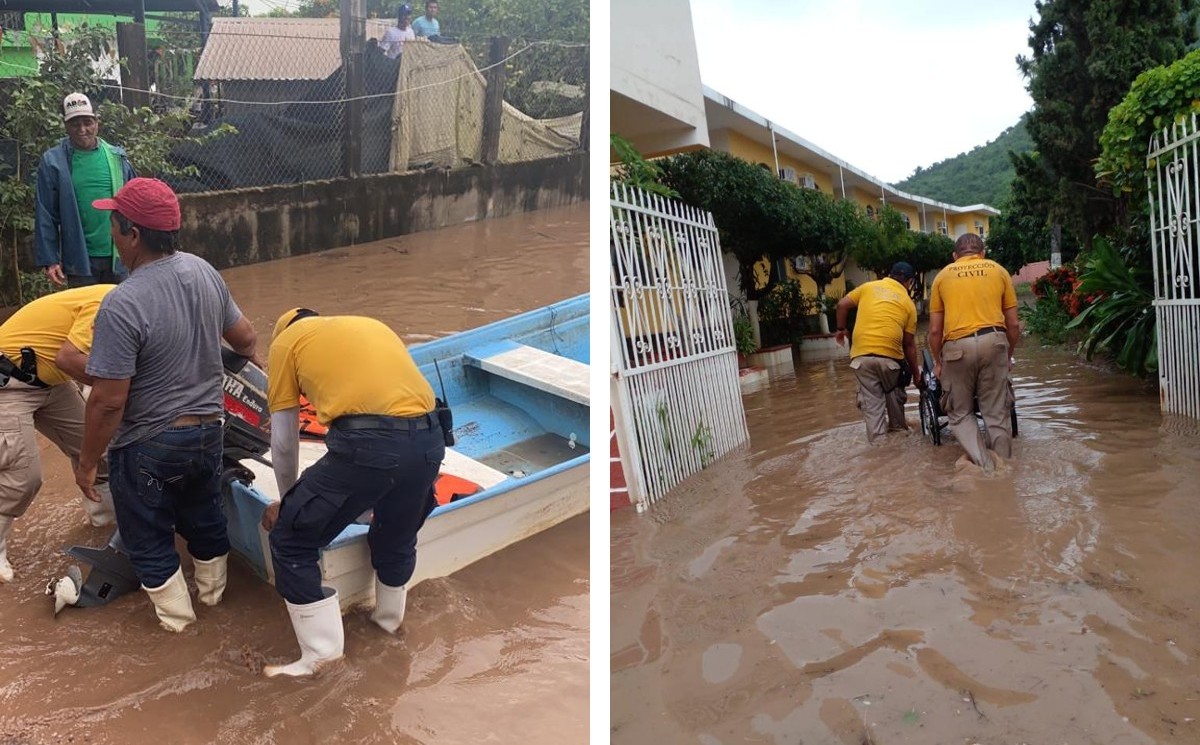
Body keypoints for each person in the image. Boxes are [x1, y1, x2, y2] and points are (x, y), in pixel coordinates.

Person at [74, 178, 260, 632]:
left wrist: (86, 462)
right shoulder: (203, 271)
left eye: (114, 225)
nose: (112, 235)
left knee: (148, 539)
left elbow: (107, 402)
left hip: (149, 445)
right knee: (204, 518)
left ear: (132, 235)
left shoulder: (122, 303)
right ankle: (215, 604)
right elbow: (247, 340)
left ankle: (182, 632)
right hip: (208, 434)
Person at [259, 308, 444, 678]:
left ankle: (322, 658)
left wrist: (290, 502)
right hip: (430, 439)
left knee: (291, 538)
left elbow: (282, 441)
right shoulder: (369, 325)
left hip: (369, 445)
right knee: (395, 536)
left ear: (283, 332)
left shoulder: (285, 344)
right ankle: (389, 625)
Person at [0, 285, 119, 582]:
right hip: (8, 382)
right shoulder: (109, 305)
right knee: (23, 474)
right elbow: (70, 358)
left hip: (49, 379)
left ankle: (105, 522)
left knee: (99, 448)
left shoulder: (136, 305)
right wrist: (123, 387)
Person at [927, 233, 1020, 471]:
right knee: (996, 414)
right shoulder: (999, 271)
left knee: (959, 414)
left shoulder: (942, 276)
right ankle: (1004, 470)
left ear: (955, 256)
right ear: (983, 253)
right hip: (995, 341)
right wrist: (1007, 357)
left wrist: (937, 362)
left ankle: (985, 467)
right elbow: (1014, 325)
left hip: (957, 347)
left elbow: (935, 331)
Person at [36, 93, 136, 288]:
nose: (82, 129)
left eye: (87, 122)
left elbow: (136, 205)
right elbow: (45, 213)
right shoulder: (53, 163)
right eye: (75, 124)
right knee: (86, 315)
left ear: (97, 122)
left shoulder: (117, 158)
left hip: (119, 257)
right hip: (80, 261)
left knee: (122, 314)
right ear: (66, 126)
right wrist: (51, 260)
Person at [835, 262, 922, 441]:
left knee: (874, 417)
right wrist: (916, 375)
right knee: (898, 422)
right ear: (909, 281)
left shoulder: (868, 287)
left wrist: (841, 329)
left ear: (890, 274)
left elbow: (842, 305)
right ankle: (899, 445)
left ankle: (878, 452)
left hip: (862, 360)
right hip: (891, 362)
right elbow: (908, 345)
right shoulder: (908, 304)